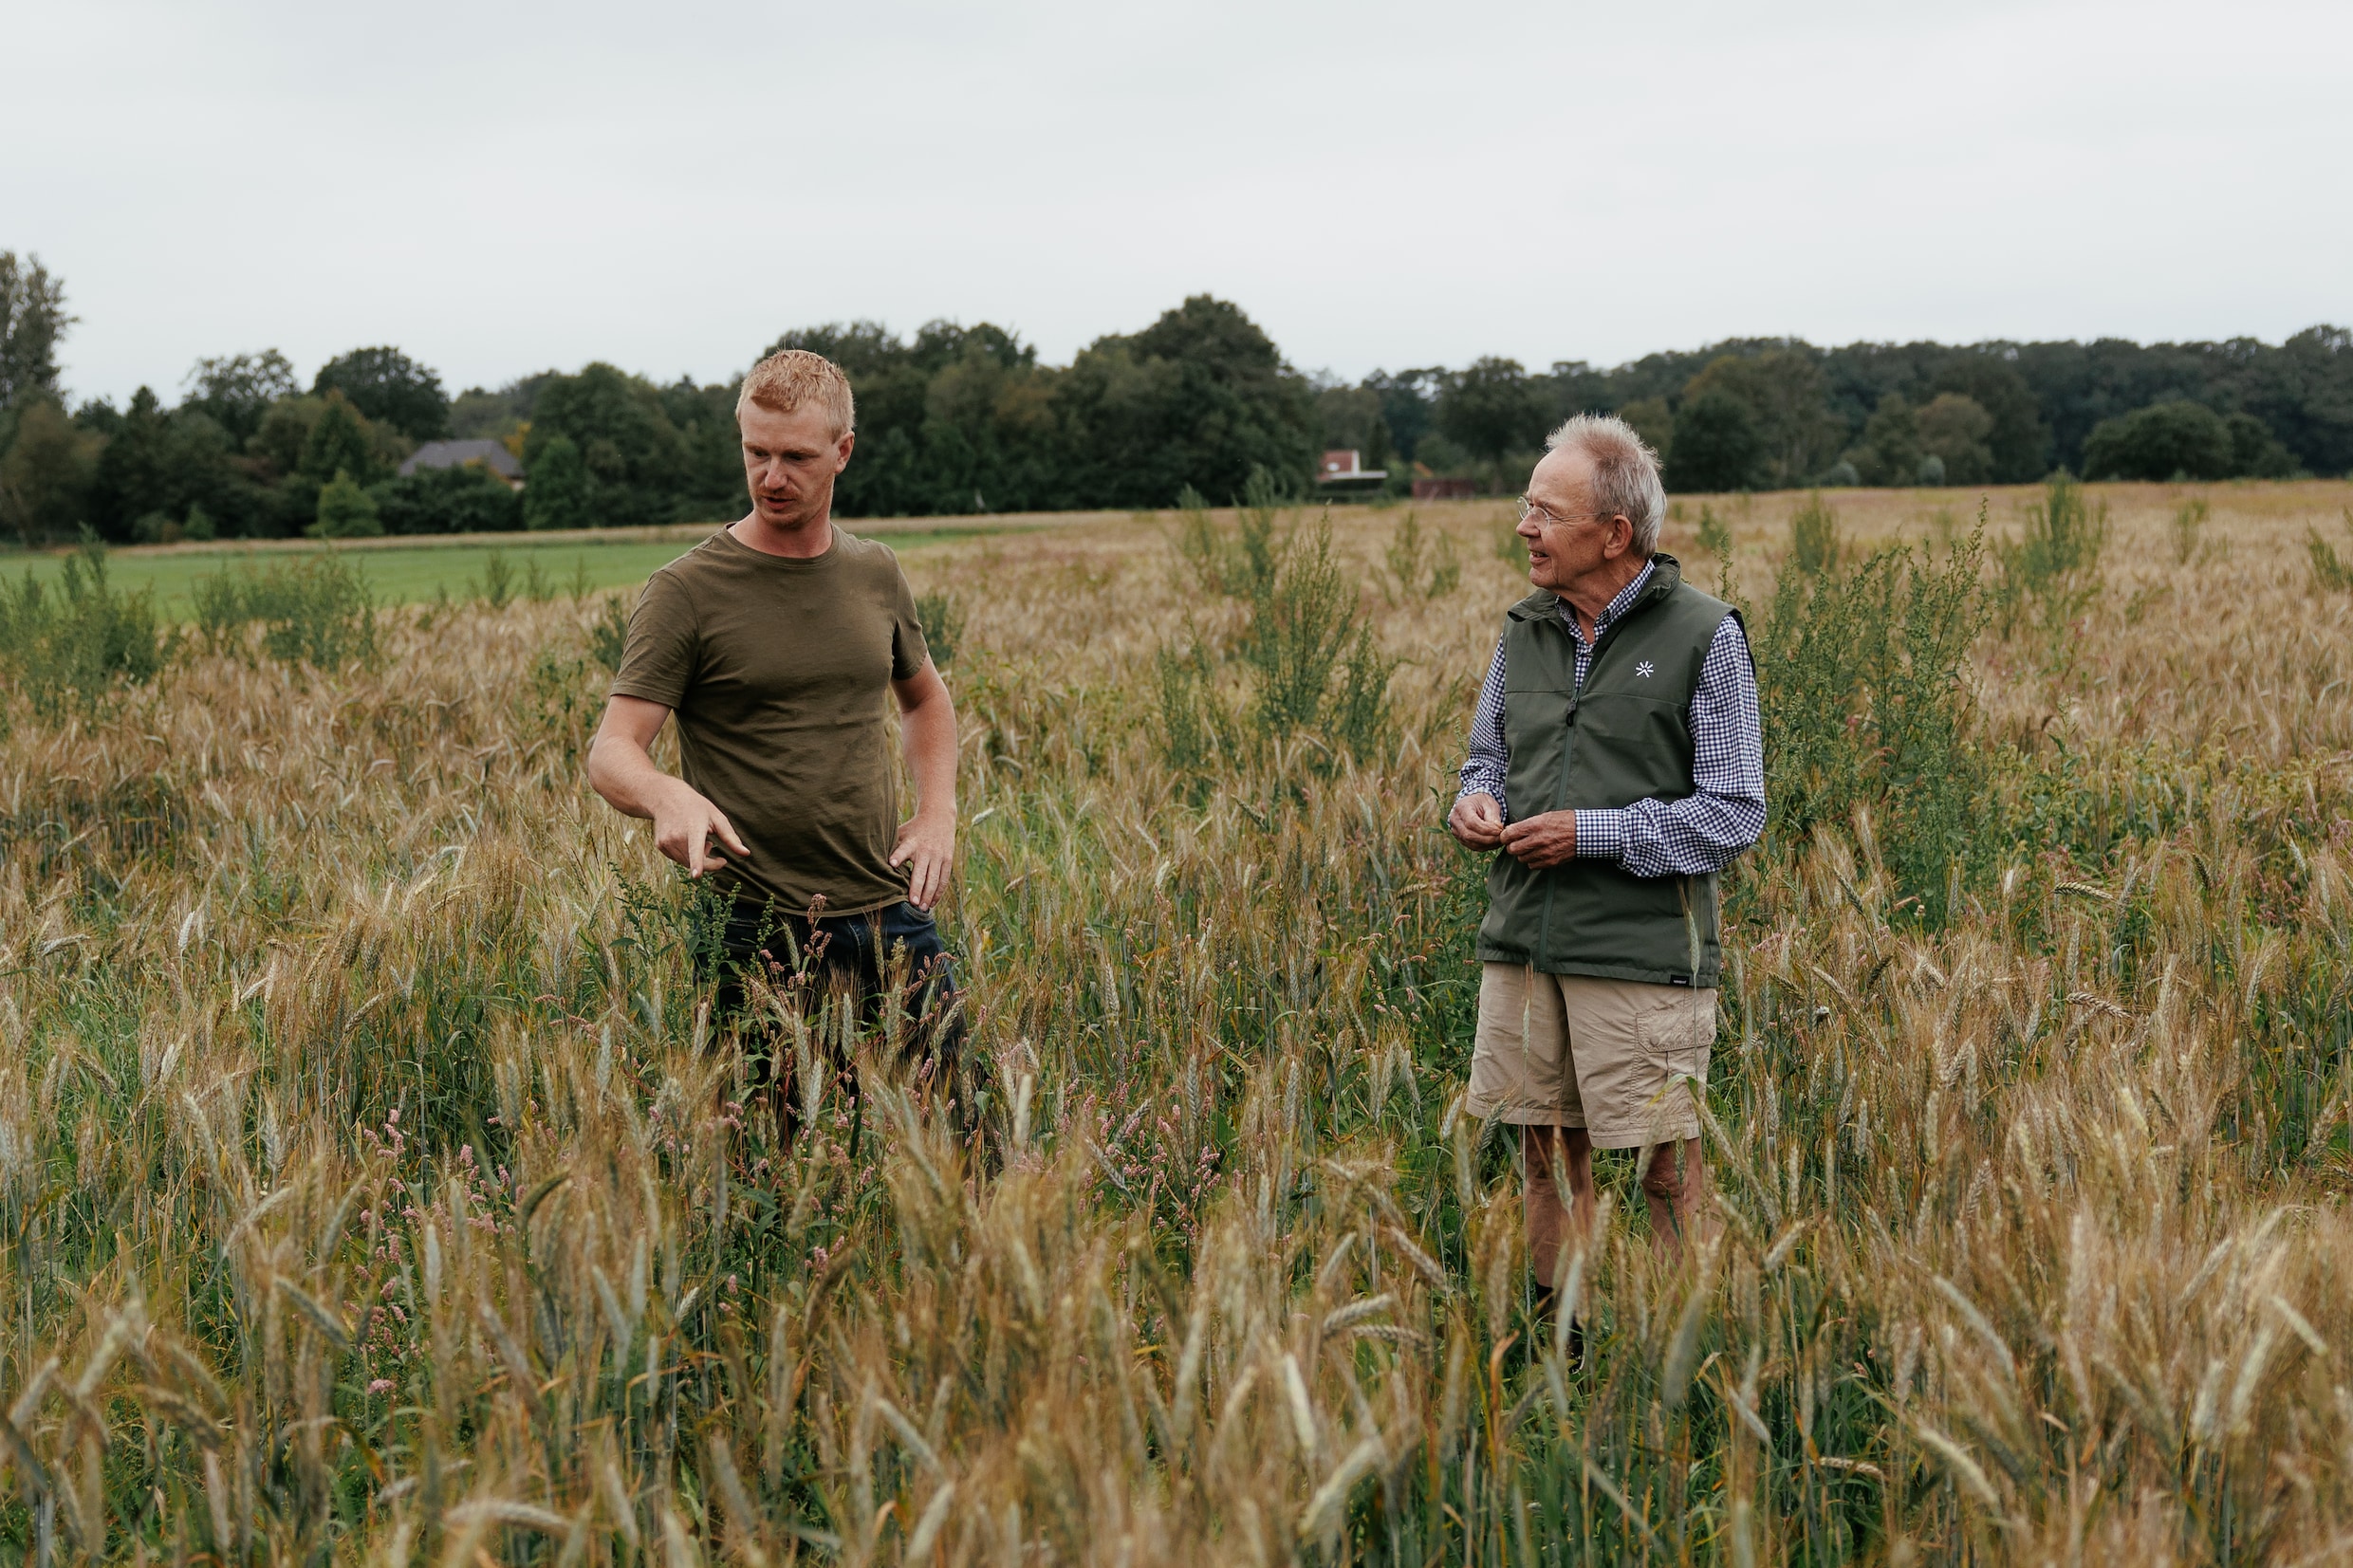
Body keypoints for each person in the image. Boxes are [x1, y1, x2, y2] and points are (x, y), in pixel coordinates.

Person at [585, 348, 964, 1135]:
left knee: (968, 1132)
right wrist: (666, 794)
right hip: (755, 925)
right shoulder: (685, 591)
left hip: (888, 910)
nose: (771, 476)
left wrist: (938, 814)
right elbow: (613, 746)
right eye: (756, 453)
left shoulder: (875, 572)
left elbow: (925, 697)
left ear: (843, 453)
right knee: (774, 1165)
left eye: (795, 456)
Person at [1447, 413, 1765, 1340]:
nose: (1523, 527)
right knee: (1543, 1155)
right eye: (1525, 506)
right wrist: (1472, 802)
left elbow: (1733, 812)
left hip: (1639, 954)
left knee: (1663, 1170)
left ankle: (1683, 1359)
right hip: (1524, 943)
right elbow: (1485, 761)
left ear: (1611, 534)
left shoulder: (1706, 637)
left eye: (1544, 511)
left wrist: (1591, 833)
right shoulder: (1523, 632)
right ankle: (1561, 1350)